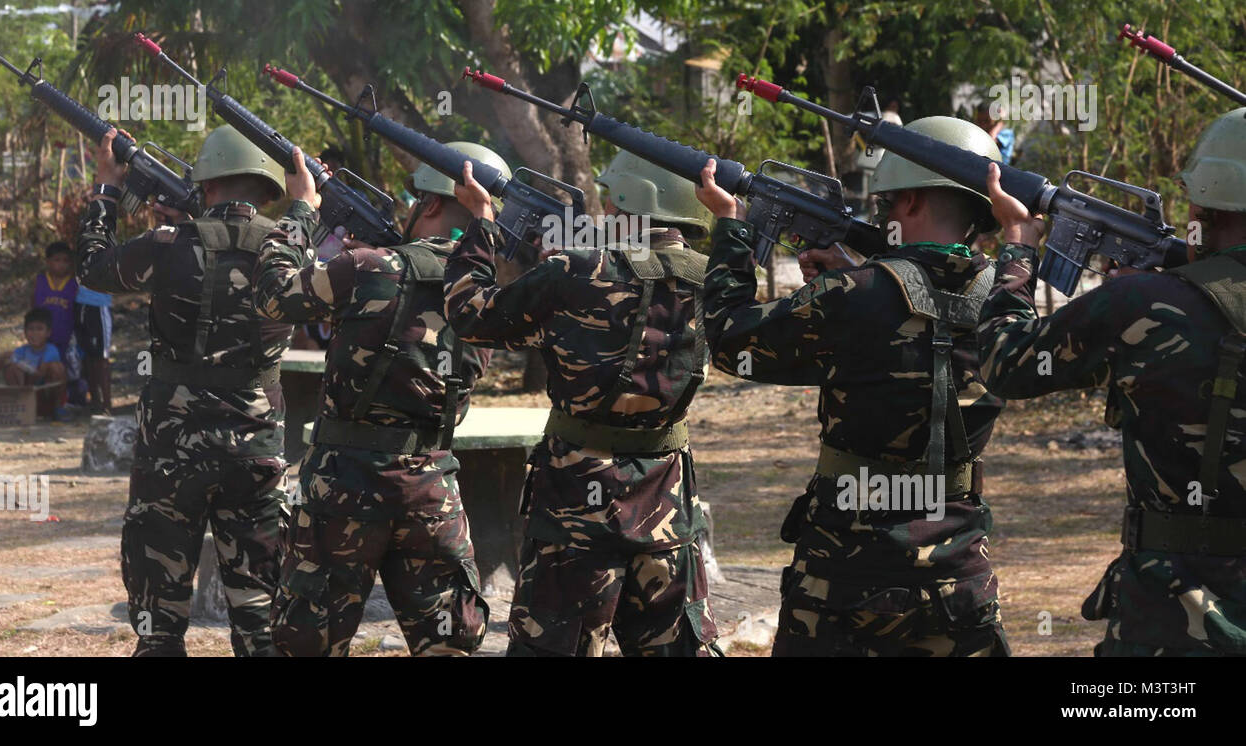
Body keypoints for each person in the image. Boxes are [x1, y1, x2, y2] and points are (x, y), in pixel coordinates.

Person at [696, 116, 1010, 657]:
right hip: (958, 572)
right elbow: (920, 305)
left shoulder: (850, 294)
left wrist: (731, 225)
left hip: (844, 576)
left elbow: (730, 342)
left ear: (910, 200)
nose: (881, 216)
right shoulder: (1007, 302)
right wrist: (859, 273)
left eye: (885, 205)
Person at [977, 109, 1246, 656]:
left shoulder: (1142, 305)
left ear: (1204, 207)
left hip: (1171, 620)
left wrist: (1018, 246)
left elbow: (1004, 362)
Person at [444, 150, 721, 657]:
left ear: (629, 201)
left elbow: (470, 313)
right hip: (667, 500)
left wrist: (481, 225)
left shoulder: (576, 269)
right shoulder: (715, 281)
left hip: (575, 505)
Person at [255, 143, 503, 657]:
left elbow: (275, 295)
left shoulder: (369, 266)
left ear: (430, 205)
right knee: (450, 645)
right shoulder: (486, 292)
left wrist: (302, 207)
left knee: (308, 644)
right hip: (432, 486)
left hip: (342, 486)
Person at [78, 124, 292, 657]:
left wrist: (107, 186)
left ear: (206, 182)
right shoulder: (293, 250)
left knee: (159, 630)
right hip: (256, 451)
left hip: (171, 452)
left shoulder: (167, 245)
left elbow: (93, 268)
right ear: (268, 191)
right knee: (262, 626)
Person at [0, 307, 68, 420]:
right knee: (11, 368)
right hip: (28, 396)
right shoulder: (22, 350)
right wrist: (4, 359)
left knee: (57, 367)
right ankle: (20, 406)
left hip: (45, 395)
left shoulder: (51, 350)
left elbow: (40, 374)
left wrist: (22, 366)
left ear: (48, 333)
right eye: (31, 329)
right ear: (25, 332)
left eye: (39, 329)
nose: (35, 333)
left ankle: (58, 408)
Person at [33, 240, 81, 396]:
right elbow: (33, 307)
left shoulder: (74, 284)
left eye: (66, 261)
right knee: (42, 369)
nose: (61, 265)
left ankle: (62, 400)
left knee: (62, 370)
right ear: (48, 262)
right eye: (57, 260)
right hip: (43, 339)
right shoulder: (40, 281)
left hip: (66, 339)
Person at [75, 284, 114, 414]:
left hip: (98, 306)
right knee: (86, 356)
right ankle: (95, 401)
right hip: (79, 304)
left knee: (101, 358)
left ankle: (107, 404)